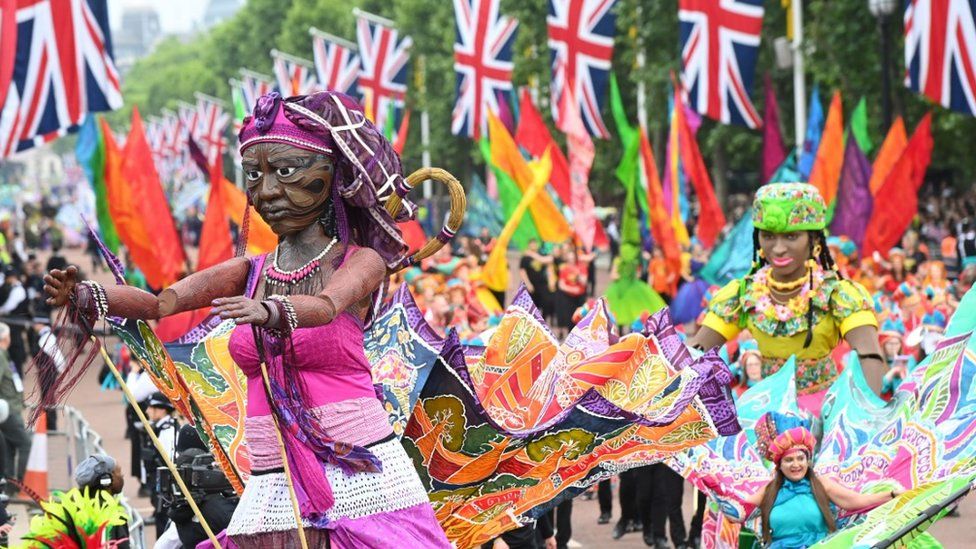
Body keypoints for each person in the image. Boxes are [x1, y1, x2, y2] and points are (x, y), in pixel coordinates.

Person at [44, 90, 450, 548]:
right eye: (254, 175)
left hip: (359, 471)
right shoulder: (251, 271)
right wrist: (89, 295)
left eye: (286, 171)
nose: (267, 191)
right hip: (271, 476)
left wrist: (272, 311)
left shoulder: (360, 261)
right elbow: (161, 304)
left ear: (332, 176)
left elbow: (326, 306)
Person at [689, 183, 885, 413]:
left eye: (791, 236)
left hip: (825, 414)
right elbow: (695, 354)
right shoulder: (742, 295)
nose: (778, 248)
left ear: (814, 240)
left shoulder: (838, 294)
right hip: (763, 414)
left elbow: (870, 357)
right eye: (768, 236)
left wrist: (864, 414)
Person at [744, 412, 903, 548]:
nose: (796, 464)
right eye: (789, 460)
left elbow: (856, 501)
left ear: (808, 461)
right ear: (779, 465)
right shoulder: (769, 490)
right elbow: (740, 510)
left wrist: (891, 495)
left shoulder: (821, 484)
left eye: (800, 458)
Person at [74, 453, 130, 548]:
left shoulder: (75, 508)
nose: (122, 475)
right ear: (107, 480)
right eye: (118, 472)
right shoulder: (114, 517)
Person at [144, 392, 178, 538]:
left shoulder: (167, 431)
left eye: (151, 407)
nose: (147, 411)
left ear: (162, 410)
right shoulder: (159, 428)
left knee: (163, 522)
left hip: (165, 486)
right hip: (158, 482)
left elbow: (170, 460)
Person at [0, 322, 30, 489]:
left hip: (10, 407)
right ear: (6, 338)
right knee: (25, 444)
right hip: (7, 409)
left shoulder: (4, 354)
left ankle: (9, 486)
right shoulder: (0, 355)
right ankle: (19, 484)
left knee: (9, 448)